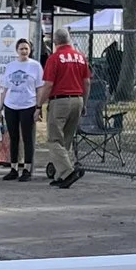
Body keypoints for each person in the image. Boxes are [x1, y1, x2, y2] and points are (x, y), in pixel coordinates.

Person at [40, 34, 88, 183]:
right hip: (78, 99)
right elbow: (86, 82)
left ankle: (67, 171)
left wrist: (38, 104)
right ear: (68, 40)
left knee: (54, 139)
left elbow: (48, 85)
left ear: (55, 42)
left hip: (60, 101)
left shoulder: (54, 58)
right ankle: (59, 175)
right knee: (66, 138)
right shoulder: (80, 57)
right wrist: (84, 102)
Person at [0, 37, 43, 180]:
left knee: (27, 137)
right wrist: (0, 107)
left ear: (30, 50)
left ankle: (27, 169)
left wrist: (38, 107)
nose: (24, 51)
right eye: (21, 48)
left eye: (26, 48)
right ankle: (14, 168)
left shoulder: (35, 66)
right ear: (16, 50)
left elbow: (40, 88)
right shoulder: (10, 66)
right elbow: (5, 88)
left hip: (28, 105)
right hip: (11, 105)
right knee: (13, 137)